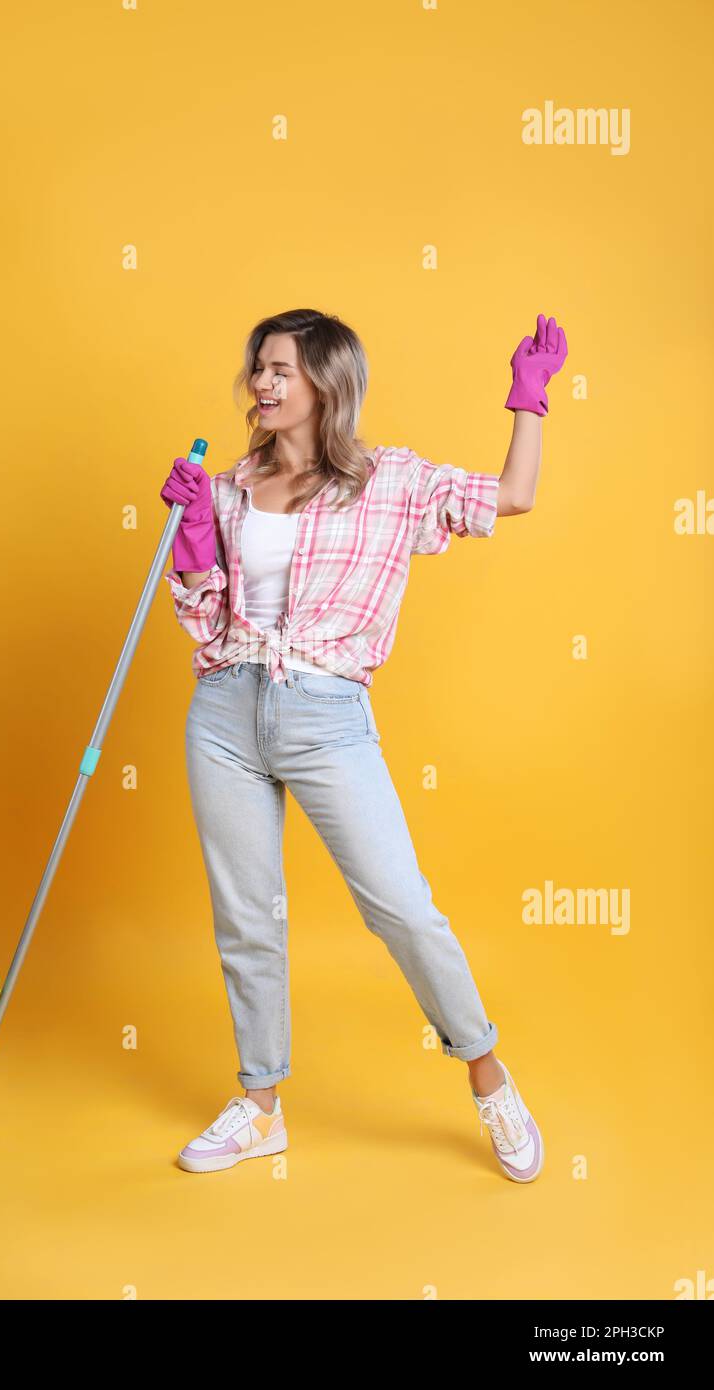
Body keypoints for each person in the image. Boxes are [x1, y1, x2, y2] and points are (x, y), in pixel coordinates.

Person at [160, 307, 568, 1183]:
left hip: (324, 713)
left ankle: (489, 1078)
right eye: (257, 369)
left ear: (326, 382)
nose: (261, 385)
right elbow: (204, 611)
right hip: (224, 710)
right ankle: (260, 1104)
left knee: (398, 905)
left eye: (281, 370)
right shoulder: (230, 487)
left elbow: (513, 497)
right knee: (247, 917)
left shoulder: (390, 481)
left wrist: (526, 402)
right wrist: (194, 538)